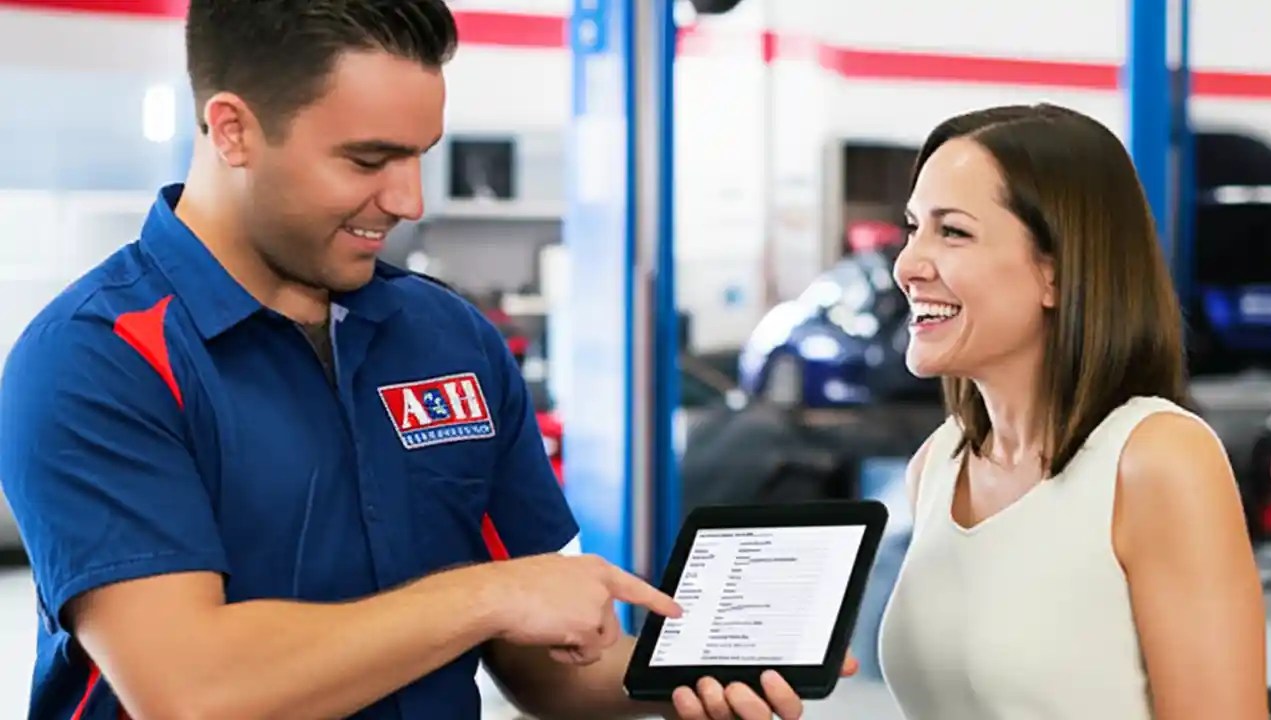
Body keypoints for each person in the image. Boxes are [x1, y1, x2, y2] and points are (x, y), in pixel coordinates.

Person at [0, 2, 854, 719]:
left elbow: (541, 666)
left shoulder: (449, 341)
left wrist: (687, 676)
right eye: (368, 160)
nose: (407, 201)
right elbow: (193, 692)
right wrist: (486, 595)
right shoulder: (96, 359)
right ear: (233, 129)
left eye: (420, 156)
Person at [877, 103, 1269, 719]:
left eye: (952, 232)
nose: (908, 265)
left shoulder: (1155, 459)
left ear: (1056, 271)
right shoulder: (938, 464)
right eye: (912, 228)